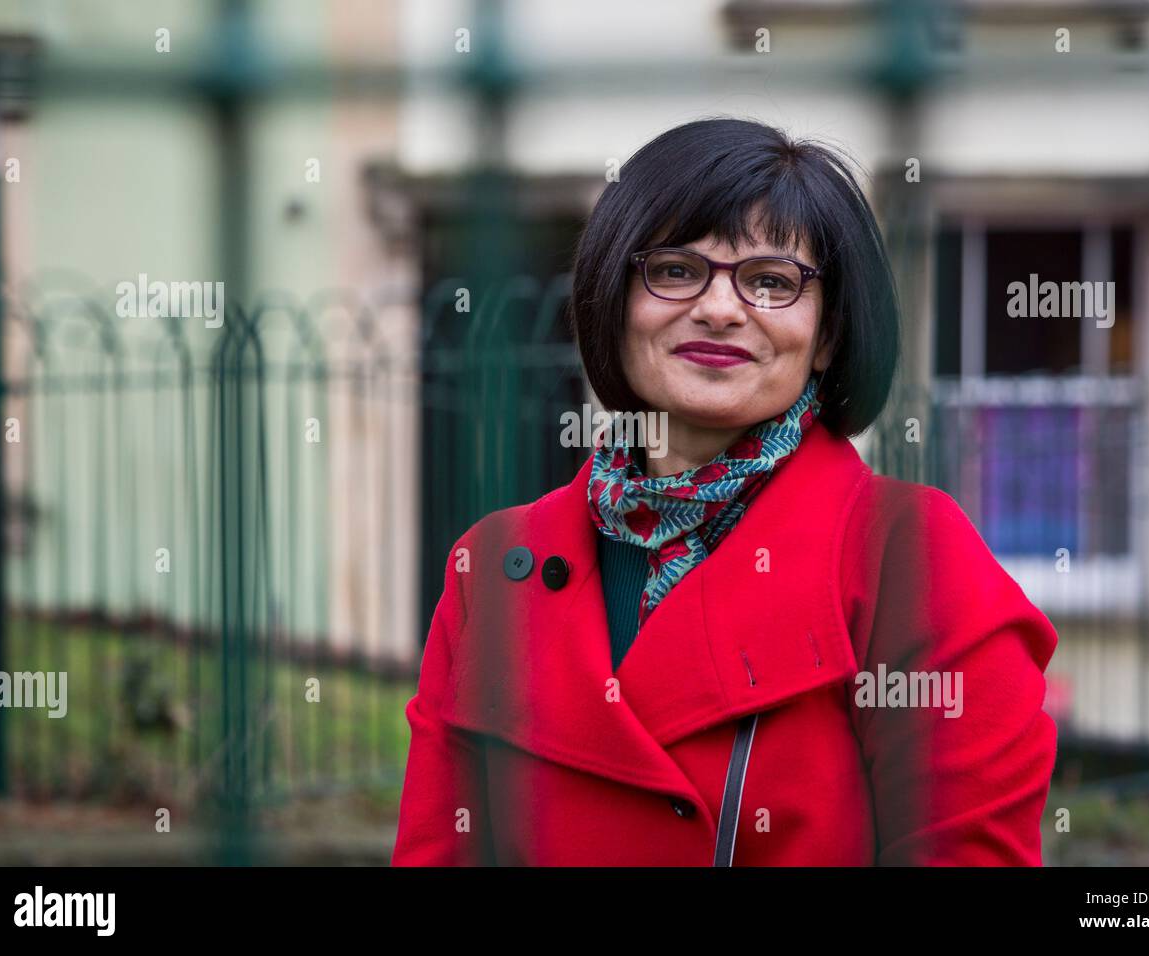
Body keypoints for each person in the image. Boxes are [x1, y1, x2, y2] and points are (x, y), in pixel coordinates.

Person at [391, 116, 1058, 866]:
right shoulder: (495, 563)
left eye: (771, 281)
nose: (719, 307)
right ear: (615, 299)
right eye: (675, 270)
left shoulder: (909, 557)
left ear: (829, 335)